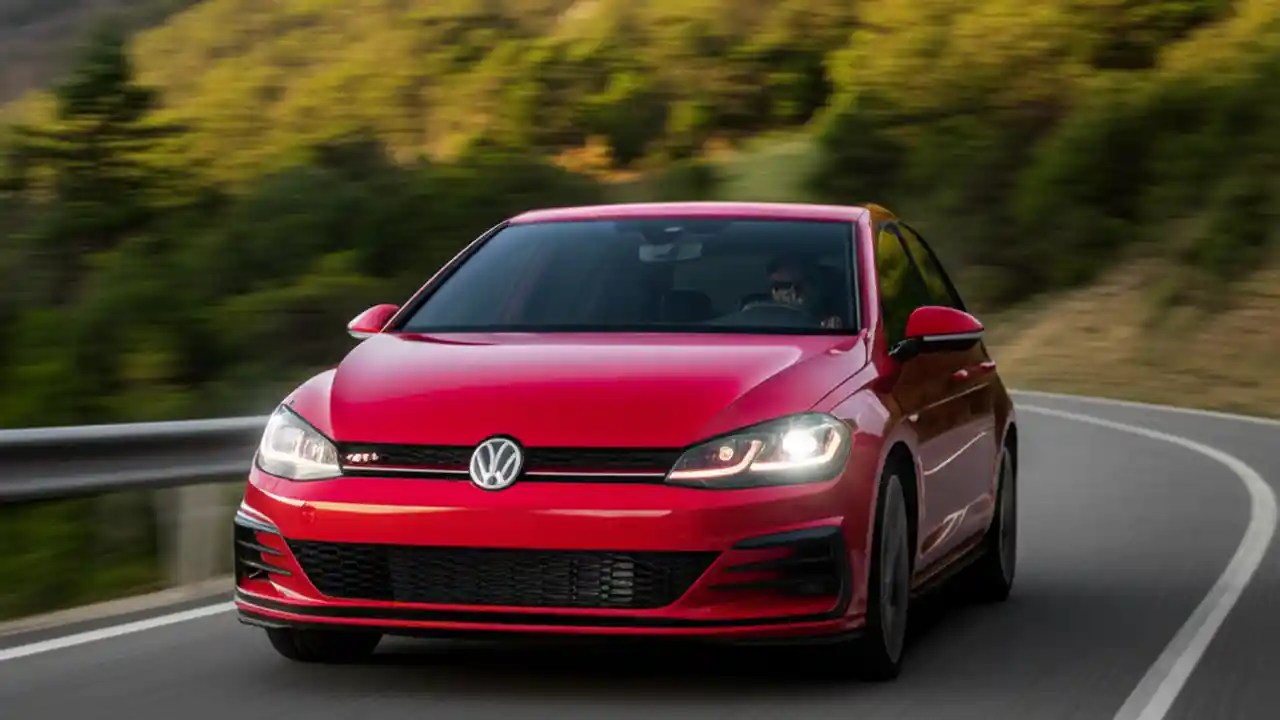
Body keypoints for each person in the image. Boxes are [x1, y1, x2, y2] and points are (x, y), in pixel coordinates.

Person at [758, 255, 843, 329]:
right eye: (784, 286)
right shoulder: (755, 321)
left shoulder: (835, 322)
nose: (793, 291)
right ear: (771, 289)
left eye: (801, 285)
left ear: (815, 286)